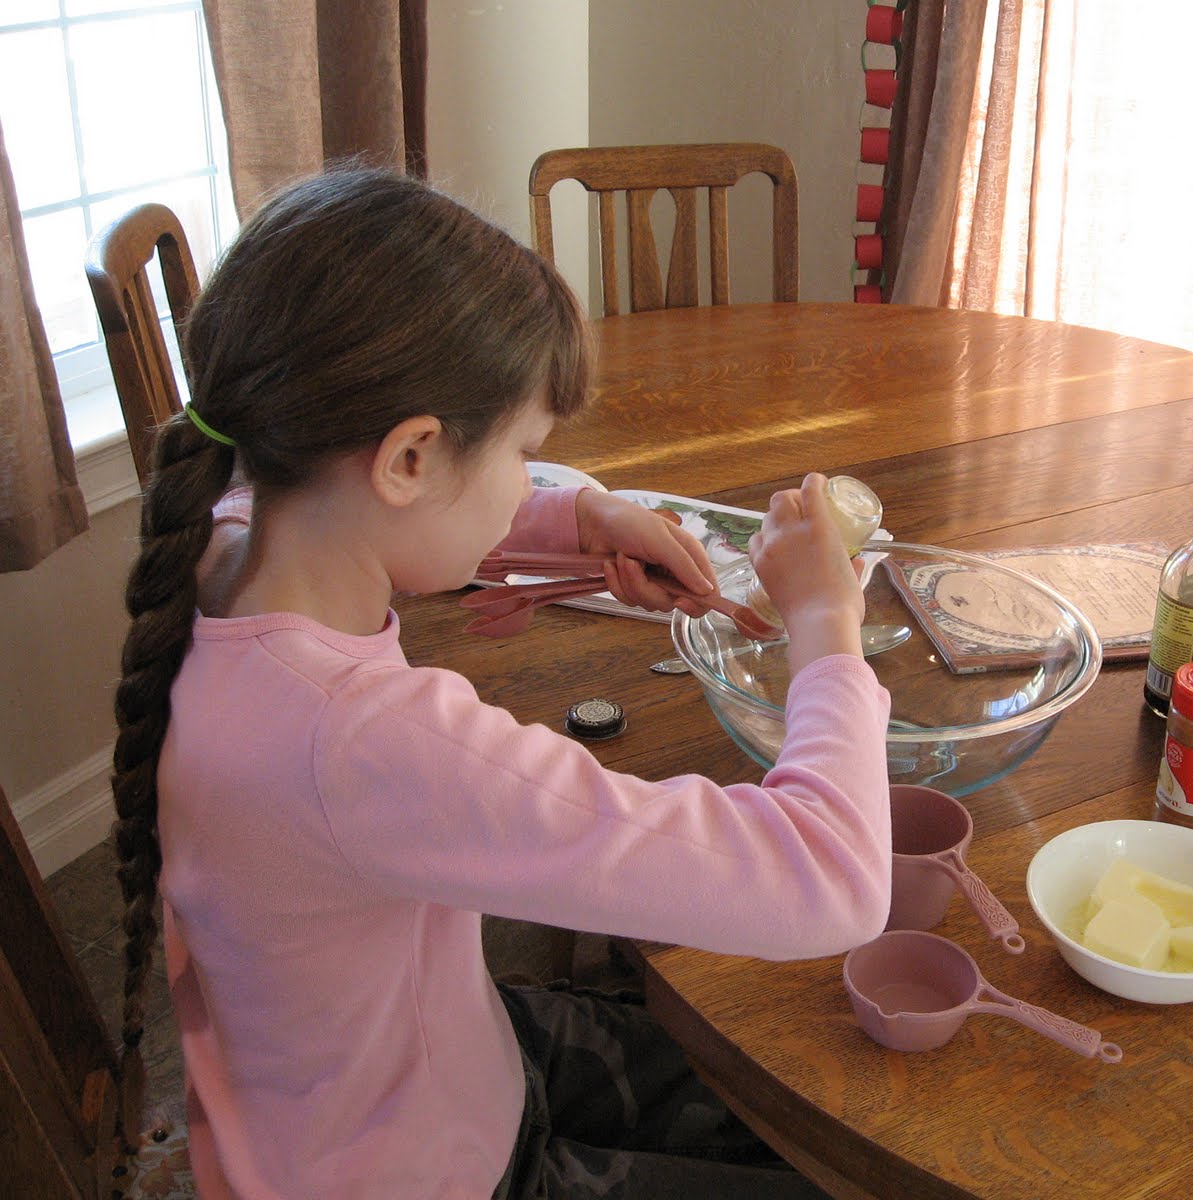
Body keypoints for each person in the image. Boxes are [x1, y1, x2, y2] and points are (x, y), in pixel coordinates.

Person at [109, 167, 892, 1199]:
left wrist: (573, 520)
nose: (532, 480)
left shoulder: (225, 542)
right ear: (410, 458)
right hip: (425, 1166)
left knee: (792, 1101)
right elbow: (828, 882)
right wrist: (826, 627)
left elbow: (382, 509)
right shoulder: (374, 745)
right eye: (527, 455)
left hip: (356, 1092)